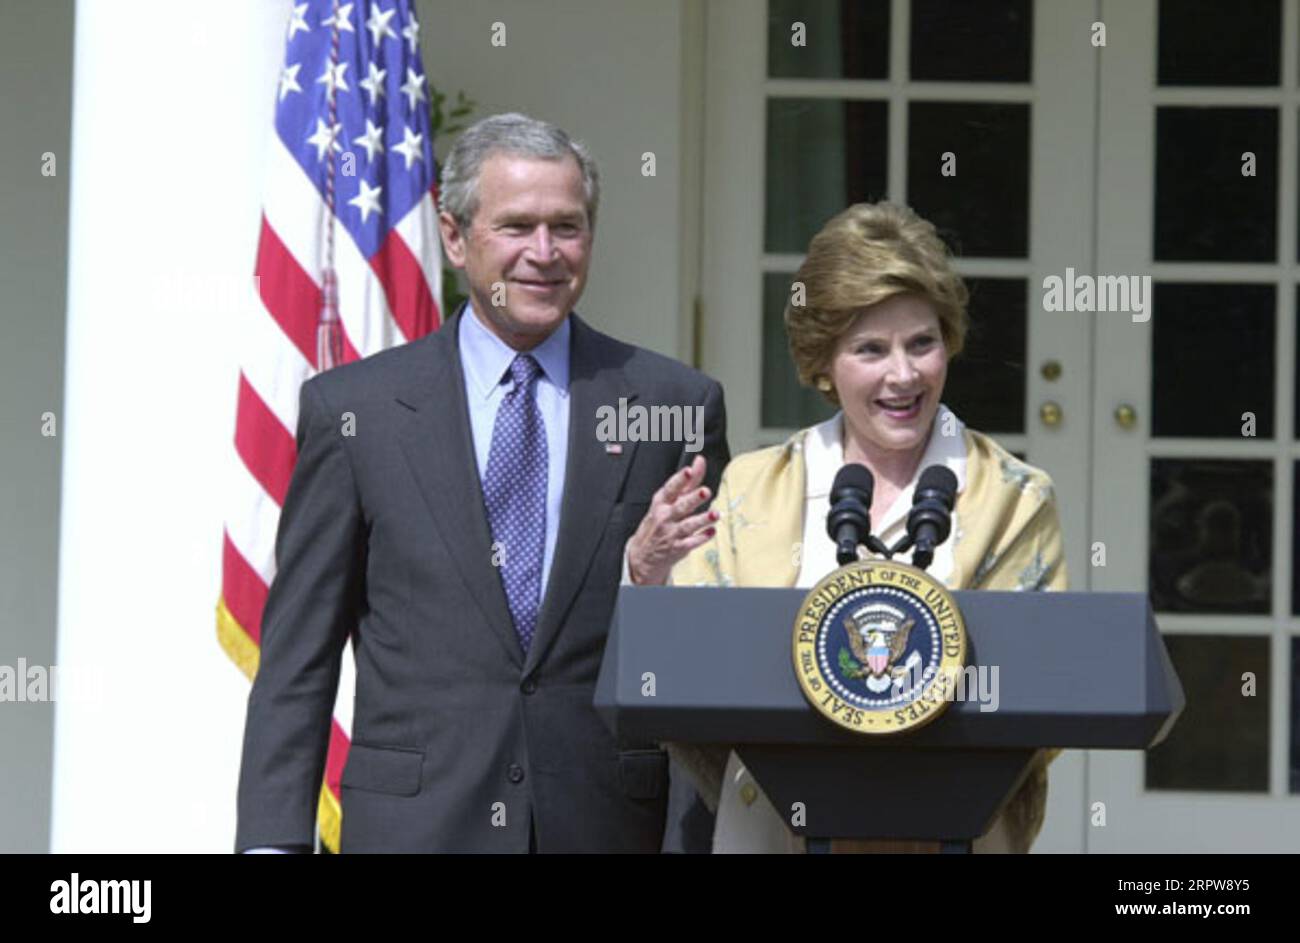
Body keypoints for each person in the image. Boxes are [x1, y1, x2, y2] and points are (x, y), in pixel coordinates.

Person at [235, 113, 728, 853]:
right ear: (456, 236)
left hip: (607, 826)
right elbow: (299, 657)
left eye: (567, 226)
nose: (544, 253)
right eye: (517, 226)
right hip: (414, 827)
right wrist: (273, 843)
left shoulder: (670, 404)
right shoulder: (354, 412)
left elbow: (699, 653)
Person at [625, 202, 1067, 853]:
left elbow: (1044, 695)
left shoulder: (1015, 496)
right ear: (823, 362)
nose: (903, 373)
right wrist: (649, 575)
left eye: (922, 342)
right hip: (777, 828)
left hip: (949, 833)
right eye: (870, 349)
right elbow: (689, 673)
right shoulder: (754, 487)